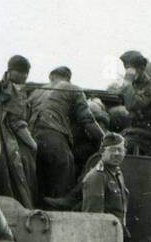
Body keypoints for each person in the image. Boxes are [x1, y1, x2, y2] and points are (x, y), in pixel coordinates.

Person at [28, 64, 106, 202]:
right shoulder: (73, 89)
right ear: (69, 78)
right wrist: (105, 140)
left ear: (51, 76)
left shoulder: (36, 91)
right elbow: (87, 120)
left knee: (38, 185)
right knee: (64, 182)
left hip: (30, 139)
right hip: (53, 137)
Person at [0, 55, 37, 205]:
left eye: (26, 72)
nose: (24, 76)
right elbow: (16, 122)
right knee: (25, 169)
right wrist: (33, 143)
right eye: (21, 72)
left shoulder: (2, 86)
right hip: (12, 141)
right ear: (10, 71)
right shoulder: (14, 91)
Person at [82, 131, 130, 242]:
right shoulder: (98, 176)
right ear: (102, 152)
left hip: (117, 234)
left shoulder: (117, 173)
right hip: (104, 238)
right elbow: (94, 216)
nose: (117, 154)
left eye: (120, 150)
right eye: (112, 150)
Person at [114, 50, 151, 155]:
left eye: (132, 69)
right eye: (127, 69)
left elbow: (133, 104)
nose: (129, 73)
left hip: (150, 136)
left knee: (121, 146)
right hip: (136, 131)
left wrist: (127, 84)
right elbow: (119, 99)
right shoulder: (133, 85)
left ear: (141, 68)